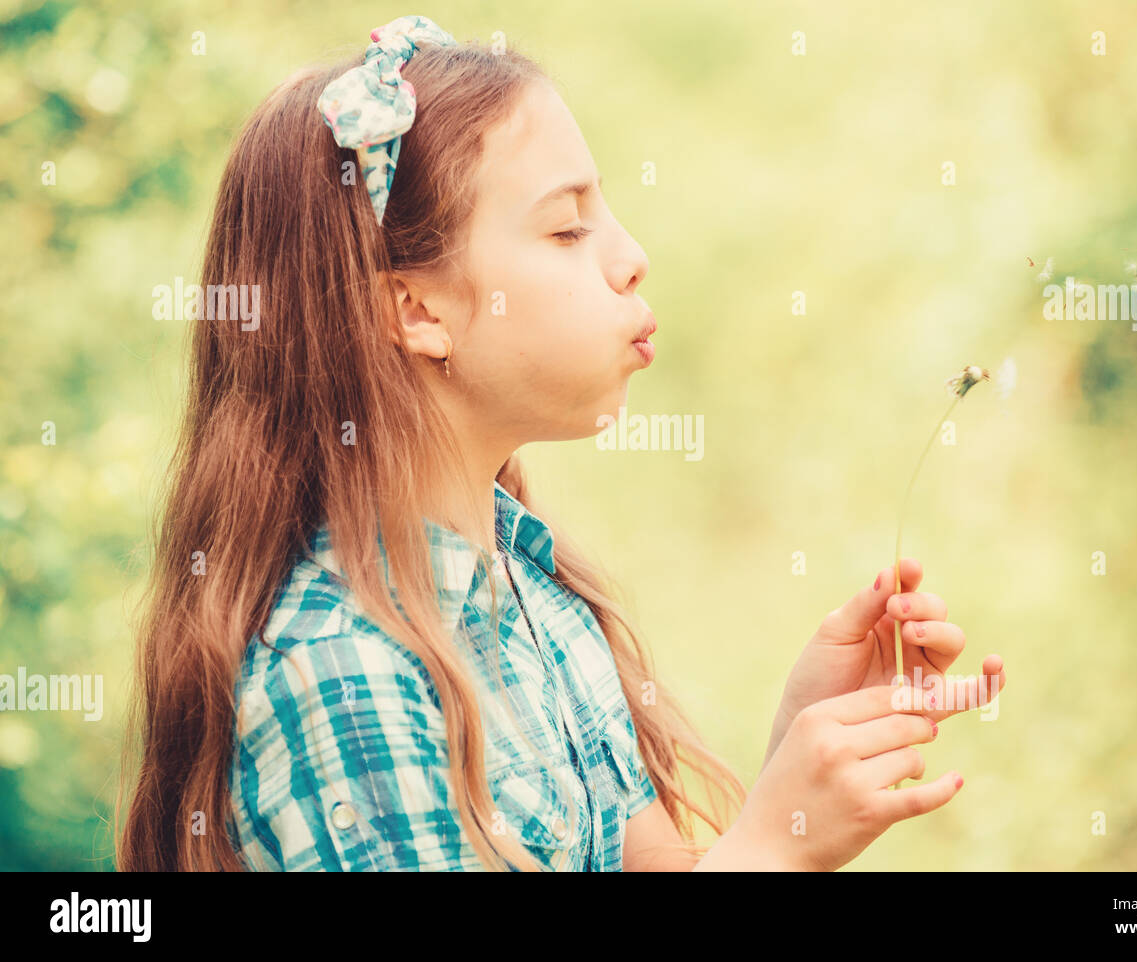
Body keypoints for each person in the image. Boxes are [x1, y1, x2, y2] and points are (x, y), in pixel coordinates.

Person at [117, 15, 1007, 872]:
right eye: (567, 228)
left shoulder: (532, 593)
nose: (631, 257)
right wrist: (772, 848)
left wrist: (796, 781)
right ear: (417, 311)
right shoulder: (342, 675)